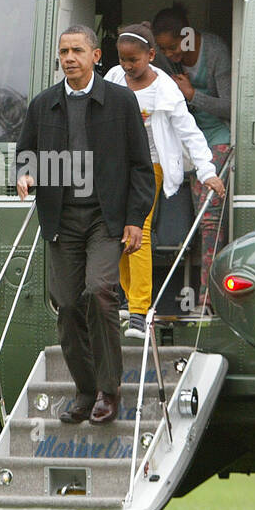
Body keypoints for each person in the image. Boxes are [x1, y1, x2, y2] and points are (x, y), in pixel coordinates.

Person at [15, 26, 155, 424]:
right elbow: (26, 153)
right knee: (68, 304)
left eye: (77, 50)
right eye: (63, 51)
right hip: (61, 219)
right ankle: (84, 389)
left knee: (100, 292)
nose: (69, 57)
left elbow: (141, 168)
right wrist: (26, 174)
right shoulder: (43, 105)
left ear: (96, 56)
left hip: (104, 218)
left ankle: (109, 392)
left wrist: (134, 220)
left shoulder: (121, 101)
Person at [104, 22, 225, 339]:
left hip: (151, 166)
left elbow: (189, 132)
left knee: (137, 229)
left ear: (151, 55)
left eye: (134, 60)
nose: (128, 67)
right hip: (117, 167)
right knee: (115, 231)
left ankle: (140, 311)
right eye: (123, 59)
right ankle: (130, 299)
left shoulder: (165, 89)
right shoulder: (115, 78)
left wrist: (207, 171)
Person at [152, 4, 233, 310]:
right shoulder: (163, 57)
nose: (169, 55)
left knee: (210, 220)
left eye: (173, 47)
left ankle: (208, 298)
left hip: (215, 141)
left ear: (188, 34)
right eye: (162, 49)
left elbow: (229, 107)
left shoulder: (215, 52)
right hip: (178, 145)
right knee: (182, 223)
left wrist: (192, 96)